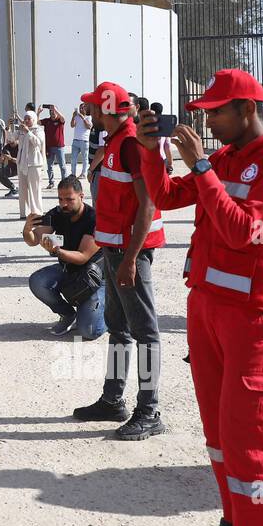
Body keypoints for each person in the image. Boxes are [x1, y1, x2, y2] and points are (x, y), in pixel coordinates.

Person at [134, 69, 263, 526]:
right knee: (218, 435)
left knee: (246, 440)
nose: (207, 122)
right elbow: (167, 196)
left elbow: (241, 230)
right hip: (205, 307)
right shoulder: (225, 158)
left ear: (247, 109)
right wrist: (152, 155)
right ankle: (233, 520)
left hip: (250, 316)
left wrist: (204, 168)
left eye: (215, 112)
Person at [71, 81, 167, 442]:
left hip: (131, 253)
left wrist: (129, 259)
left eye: (94, 107)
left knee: (144, 330)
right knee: (119, 328)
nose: (90, 112)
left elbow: (147, 205)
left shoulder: (130, 144)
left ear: (106, 109)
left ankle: (149, 409)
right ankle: (113, 400)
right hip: (114, 251)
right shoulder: (114, 141)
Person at [24, 176, 107, 339]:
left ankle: (113, 313)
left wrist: (57, 252)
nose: (64, 204)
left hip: (95, 278)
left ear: (81, 196)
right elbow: (34, 239)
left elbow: (83, 257)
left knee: (89, 332)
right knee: (38, 281)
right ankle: (68, 315)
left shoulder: (95, 219)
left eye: (69, 199)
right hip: (69, 270)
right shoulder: (58, 213)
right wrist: (27, 230)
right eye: (60, 199)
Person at [17, 109, 45, 219]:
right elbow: (11, 140)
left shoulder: (39, 130)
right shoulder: (22, 130)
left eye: (29, 119)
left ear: (34, 119)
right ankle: (24, 213)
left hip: (34, 163)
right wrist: (9, 129)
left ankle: (36, 212)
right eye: (25, 119)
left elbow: (38, 143)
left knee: (35, 189)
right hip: (22, 163)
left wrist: (28, 132)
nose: (27, 121)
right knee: (22, 189)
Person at [40, 104, 67, 189]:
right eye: (51, 112)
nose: (53, 113)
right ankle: (51, 182)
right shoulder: (47, 121)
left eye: (54, 111)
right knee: (49, 166)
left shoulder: (60, 120)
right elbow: (36, 122)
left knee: (62, 166)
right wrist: (38, 112)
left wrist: (56, 109)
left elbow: (63, 118)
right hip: (49, 147)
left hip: (59, 147)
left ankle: (64, 183)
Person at [151, 102, 175, 174]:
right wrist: (170, 164)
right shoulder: (165, 125)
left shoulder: (146, 124)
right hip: (162, 159)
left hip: (149, 159)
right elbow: (167, 146)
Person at [70, 105, 92, 177]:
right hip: (75, 140)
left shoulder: (89, 117)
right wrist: (73, 116)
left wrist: (83, 118)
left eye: (83, 108)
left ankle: (83, 174)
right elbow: (72, 125)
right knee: (73, 159)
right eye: (80, 108)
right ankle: (73, 174)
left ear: (86, 108)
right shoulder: (76, 117)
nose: (81, 109)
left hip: (84, 141)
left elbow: (89, 126)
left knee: (85, 159)